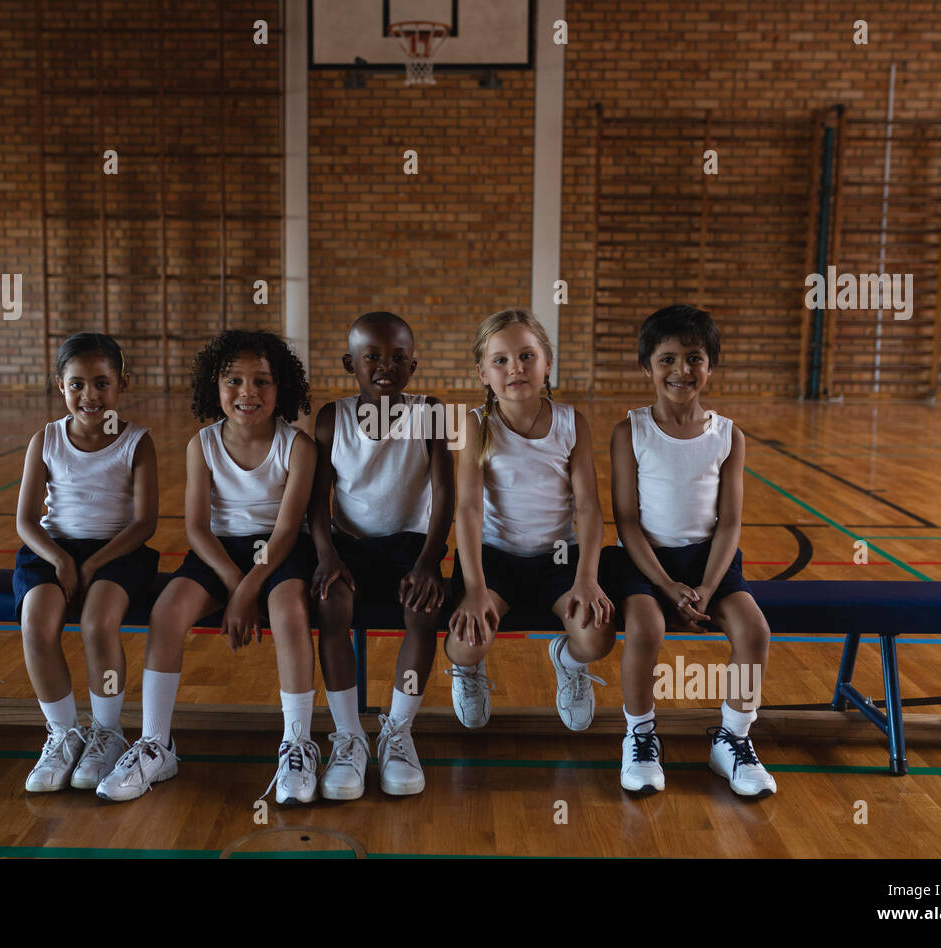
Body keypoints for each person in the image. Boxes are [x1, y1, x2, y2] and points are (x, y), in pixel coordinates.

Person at [96, 330, 319, 805]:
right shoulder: (203, 444)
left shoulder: (297, 446)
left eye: (262, 381)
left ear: (282, 389)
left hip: (278, 553)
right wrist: (237, 588)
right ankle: (157, 744)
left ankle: (297, 742)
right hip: (218, 551)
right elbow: (197, 528)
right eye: (234, 380)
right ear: (213, 388)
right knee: (166, 613)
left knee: (289, 614)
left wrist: (249, 589)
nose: (248, 392)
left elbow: (284, 532)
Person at [604, 304, 776, 798]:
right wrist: (666, 585)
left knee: (754, 630)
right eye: (667, 359)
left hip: (708, 563)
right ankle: (640, 737)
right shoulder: (629, 432)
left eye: (694, 358)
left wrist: (703, 586)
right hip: (645, 562)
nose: (682, 371)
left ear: (711, 365)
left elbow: (731, 523)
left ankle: (733, 739)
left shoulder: (728, 436)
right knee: (646, 626)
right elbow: (628, 521)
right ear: (646, 367)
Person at [448, 309, 615, 732]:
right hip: (494, 558)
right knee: (464, 647)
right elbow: (467, 508)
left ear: (547, 364)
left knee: (596, 637)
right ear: (483, 372)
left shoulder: (570, 423)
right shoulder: (475, 425)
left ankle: (568, 662)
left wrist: (587, 578)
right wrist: (474, 588)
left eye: (527, 356)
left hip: (557, 557)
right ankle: (470, 674)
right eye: (500, 360)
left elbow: (590, 507)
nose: (515, 368)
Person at [310, 312, 454, 799]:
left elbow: (445, 493)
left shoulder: (428, 411)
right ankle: (349, 735)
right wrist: (327, 555)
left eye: (397, 357)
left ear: (414, 364)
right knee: (332, 606)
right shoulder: (332, 417)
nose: (385, 366)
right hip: (348, 545)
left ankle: (398, 730)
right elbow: (315, 501)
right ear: (349, 362)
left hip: (411, 546)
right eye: (372, 356)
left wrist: (430, 560)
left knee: (424, 608)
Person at [13, 332, 159, 793]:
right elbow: (25, 520)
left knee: (98, 624)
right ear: (60, 386)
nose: (89, 396)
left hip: (118, 552)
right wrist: (60, 559)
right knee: (37, 624)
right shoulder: (46, 439)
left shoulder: (137, 441)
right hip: (53, 550)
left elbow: (145, 522)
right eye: (77, 385)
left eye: (101, 383)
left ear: (123, 384)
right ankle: (63, 732)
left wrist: (93, 564)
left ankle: (107, 732)